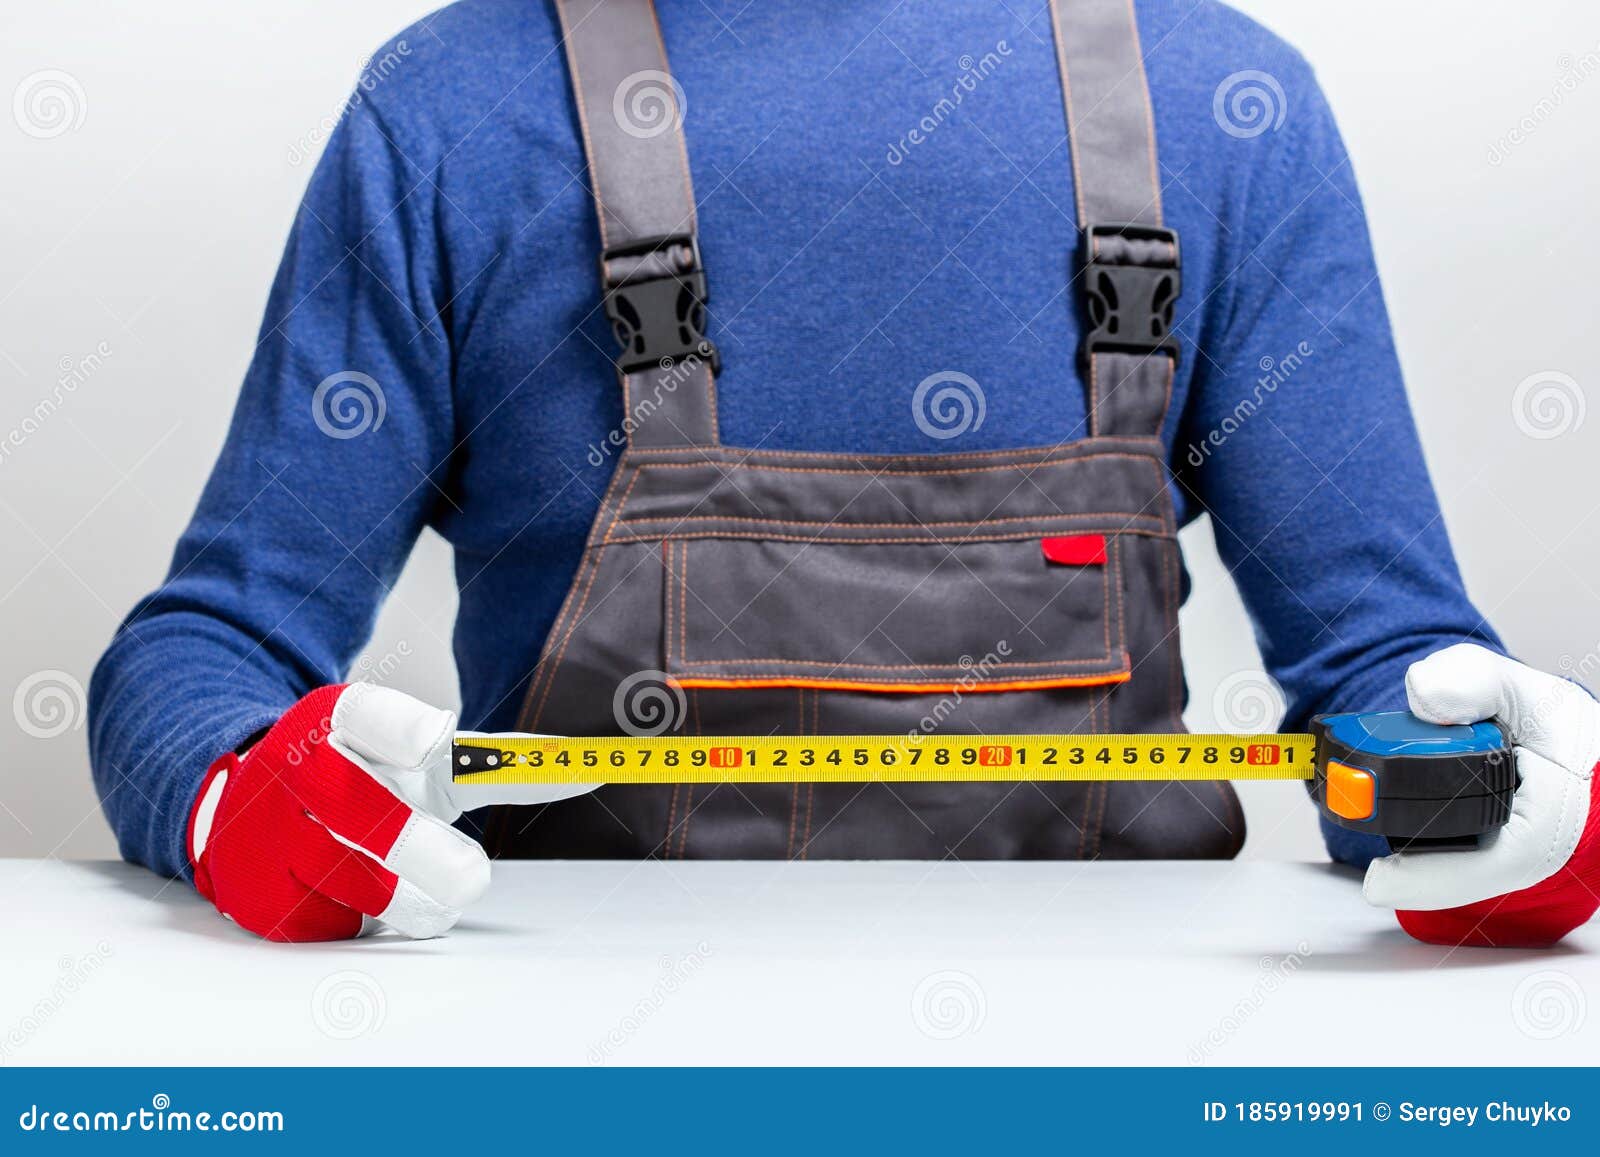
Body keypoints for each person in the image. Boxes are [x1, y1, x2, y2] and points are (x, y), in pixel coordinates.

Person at [88, 0, 1598, 944]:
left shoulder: (1225, 112)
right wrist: (237, 802)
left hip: (1130, 1083)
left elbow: (1388, 673)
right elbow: (207, 651)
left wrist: (1480, 804)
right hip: (564, 1077)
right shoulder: (450, 117)